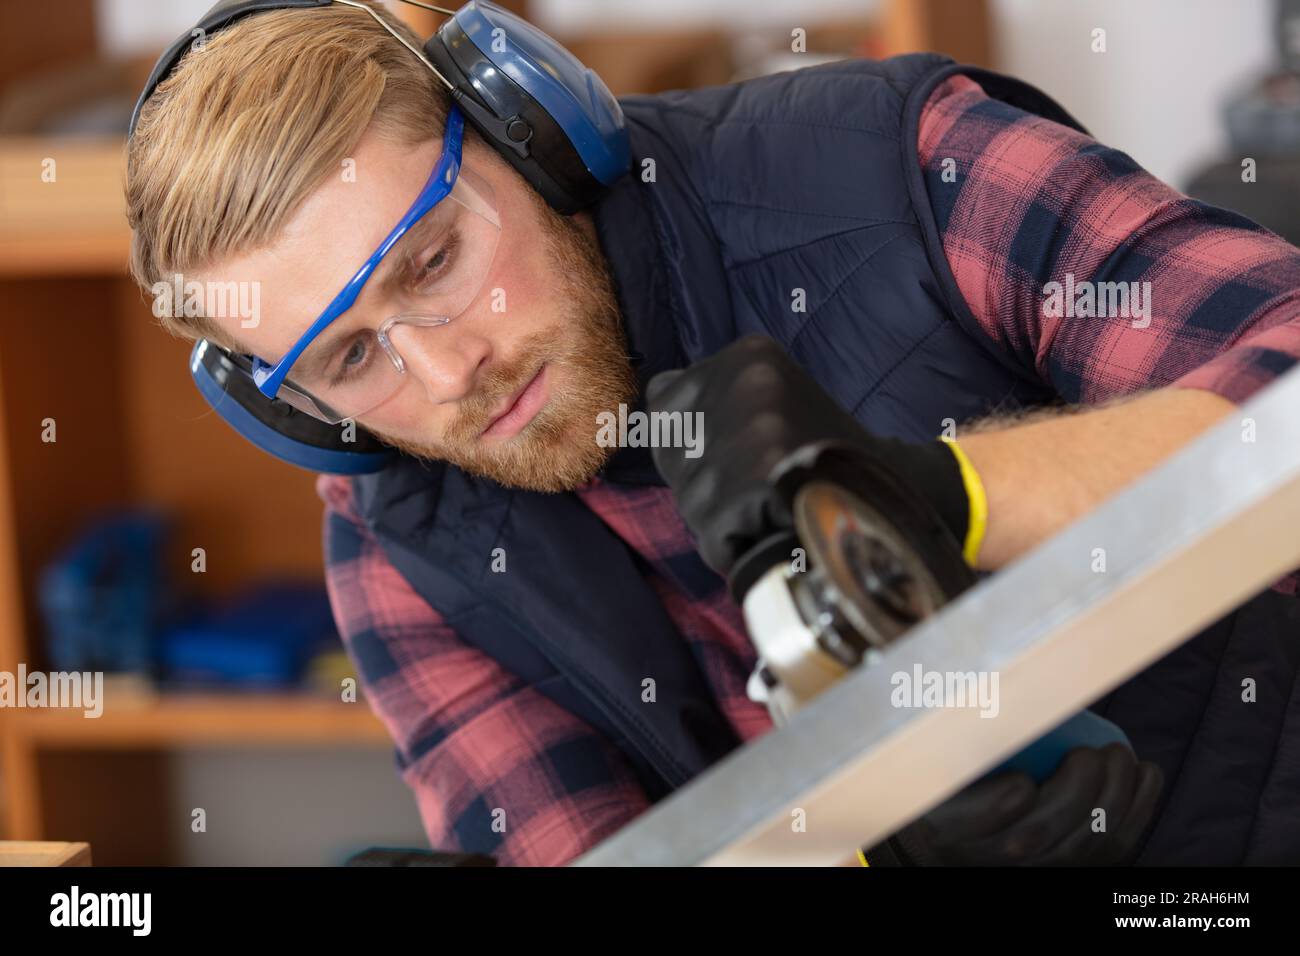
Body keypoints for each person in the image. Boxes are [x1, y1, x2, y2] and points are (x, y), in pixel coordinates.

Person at [126, 0, 1300, 865]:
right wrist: (856, 844)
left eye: (435, 260)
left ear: (527, 127)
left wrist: (942, 492)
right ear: (297, 414)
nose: (448, 370)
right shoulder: (406, 554)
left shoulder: (885, 172)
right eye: (350, 356)